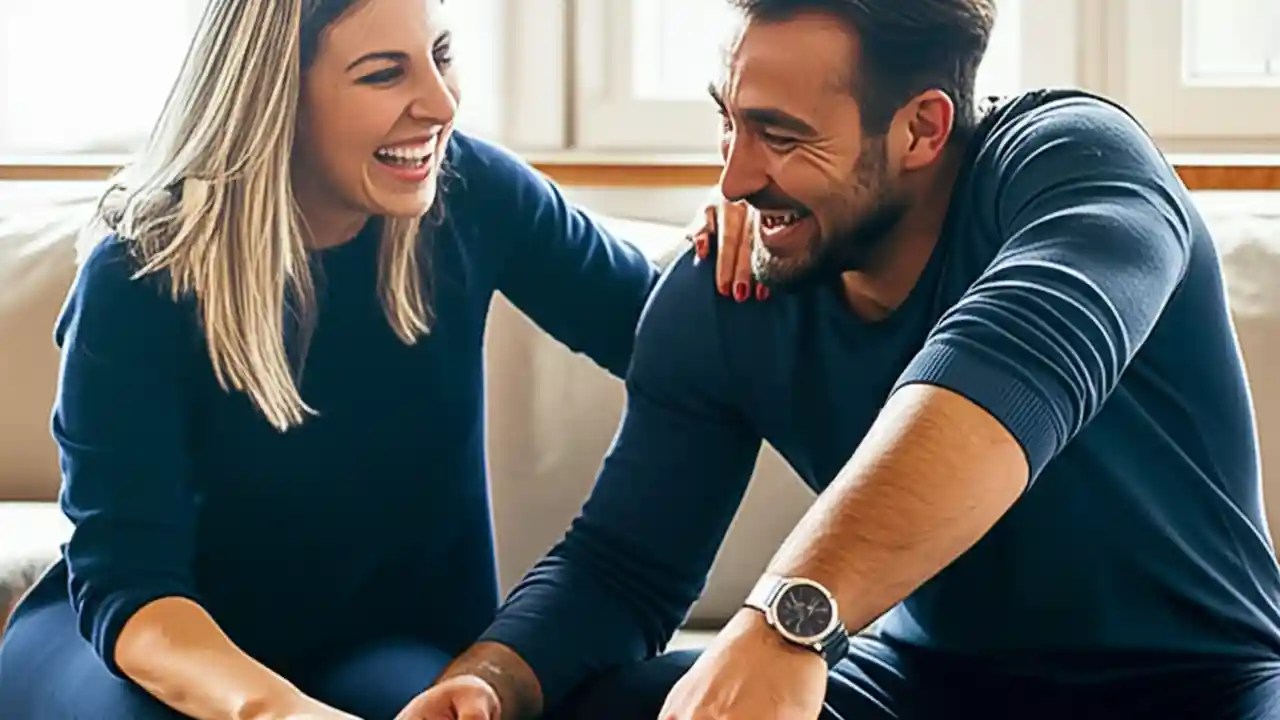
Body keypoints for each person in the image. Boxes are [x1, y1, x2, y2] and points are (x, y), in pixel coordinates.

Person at [406, 1, 1280, 719]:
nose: (735, 179)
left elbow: (1008, 369)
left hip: (1201, 686)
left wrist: (787, 623)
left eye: (781, 137)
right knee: (604, 704)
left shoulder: (1076, 165)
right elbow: (622, 569)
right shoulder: (733, 283)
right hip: (925, 688)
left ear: (922, 128)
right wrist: (490, 681)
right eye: (729, 123)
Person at [0, 0, 755, 718]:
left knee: (418, 702)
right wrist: (275, 709)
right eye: (385, 73)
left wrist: (734, 232)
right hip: (156, 648)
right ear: (276, 99)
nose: (441, 104)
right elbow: (131, 587)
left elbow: (681, 349)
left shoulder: (473, 195)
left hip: (384, 644)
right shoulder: (139, 274)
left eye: (441, 55)